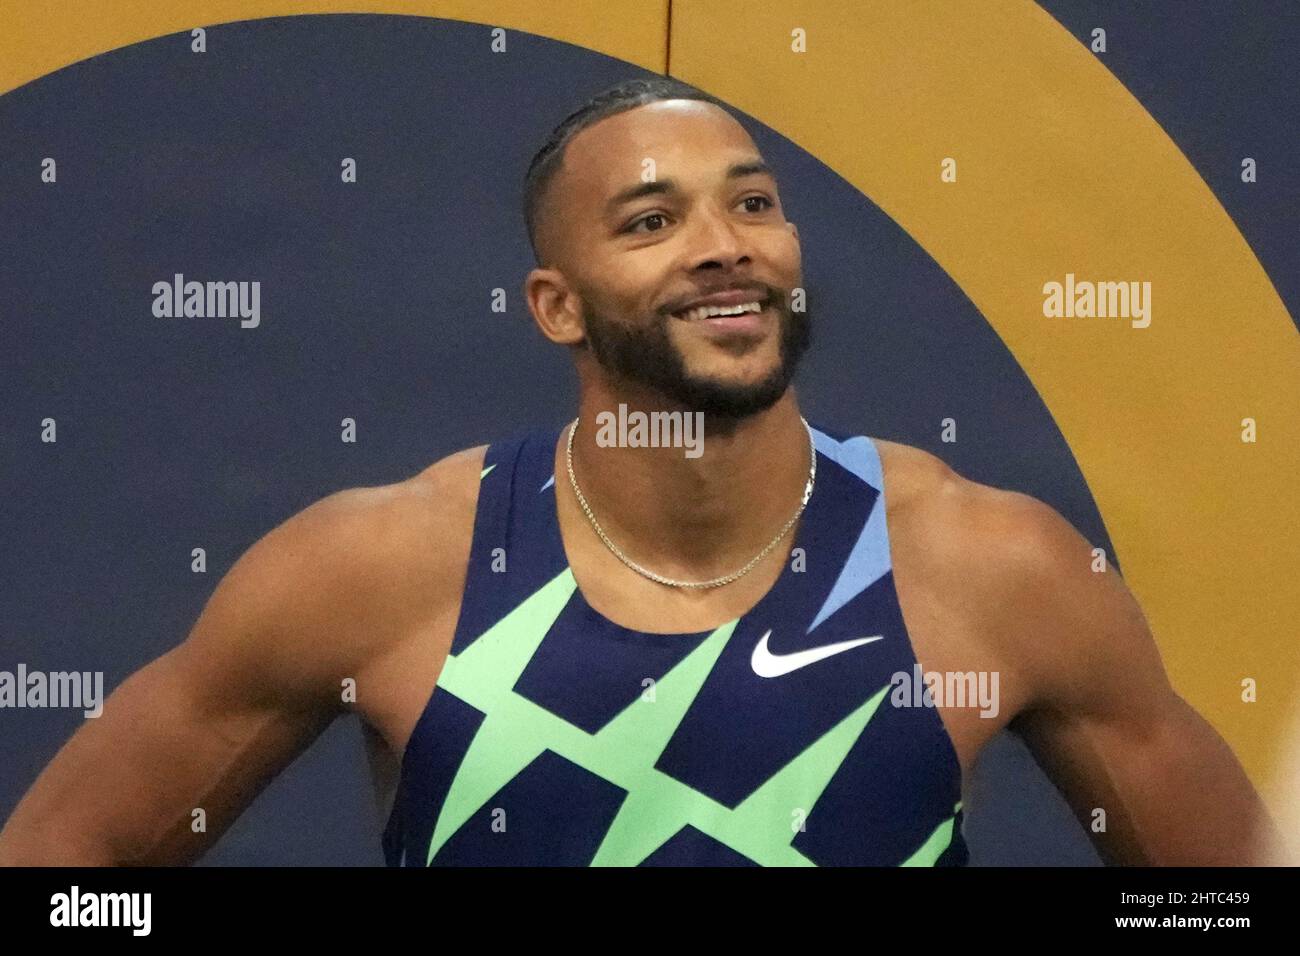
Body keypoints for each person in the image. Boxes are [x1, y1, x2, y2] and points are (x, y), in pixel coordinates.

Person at [0, 77, 1278, 867]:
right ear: (556, 306)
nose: (725, 249)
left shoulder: (995, 566)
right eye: (652, 222)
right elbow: (69, 864)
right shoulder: (379, 566)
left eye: (755, 204)